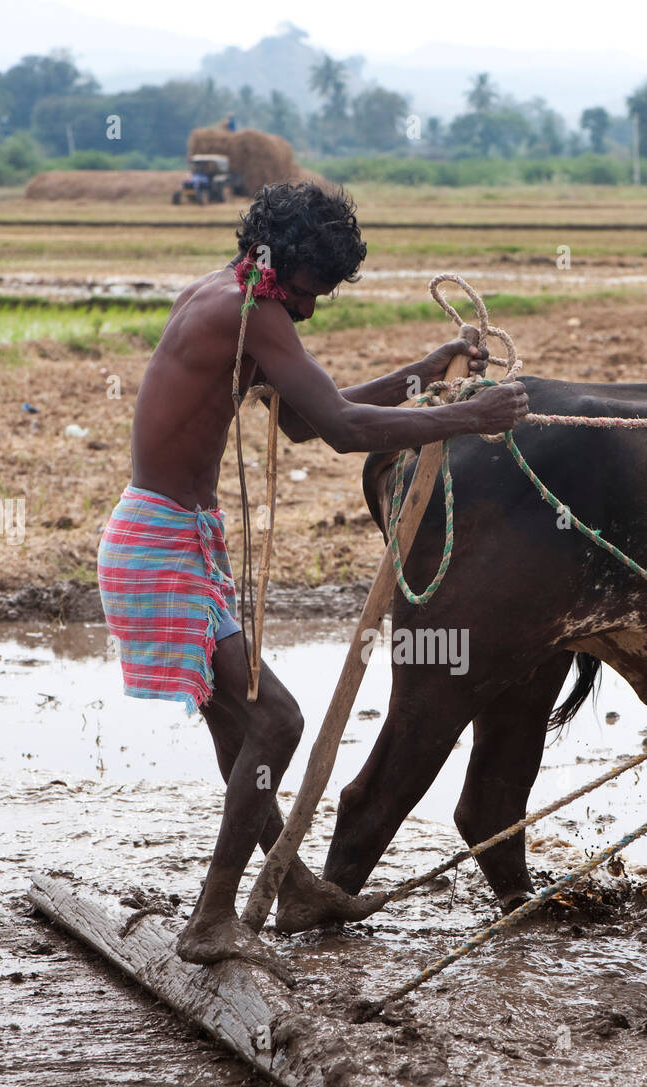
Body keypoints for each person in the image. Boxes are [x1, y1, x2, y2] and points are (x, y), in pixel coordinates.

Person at [98, 181, 529, 969]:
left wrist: (423, 374)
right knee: (276, 724)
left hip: (178, 538)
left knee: (242, 728)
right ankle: (211, 919)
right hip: (161, 547)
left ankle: (291, 887)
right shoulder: (246, 312)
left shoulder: (238, 297)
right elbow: (338, 431)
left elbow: (300, 417)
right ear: (278, 265)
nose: (308, 311)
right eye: (308, 293)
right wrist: (468, 417)